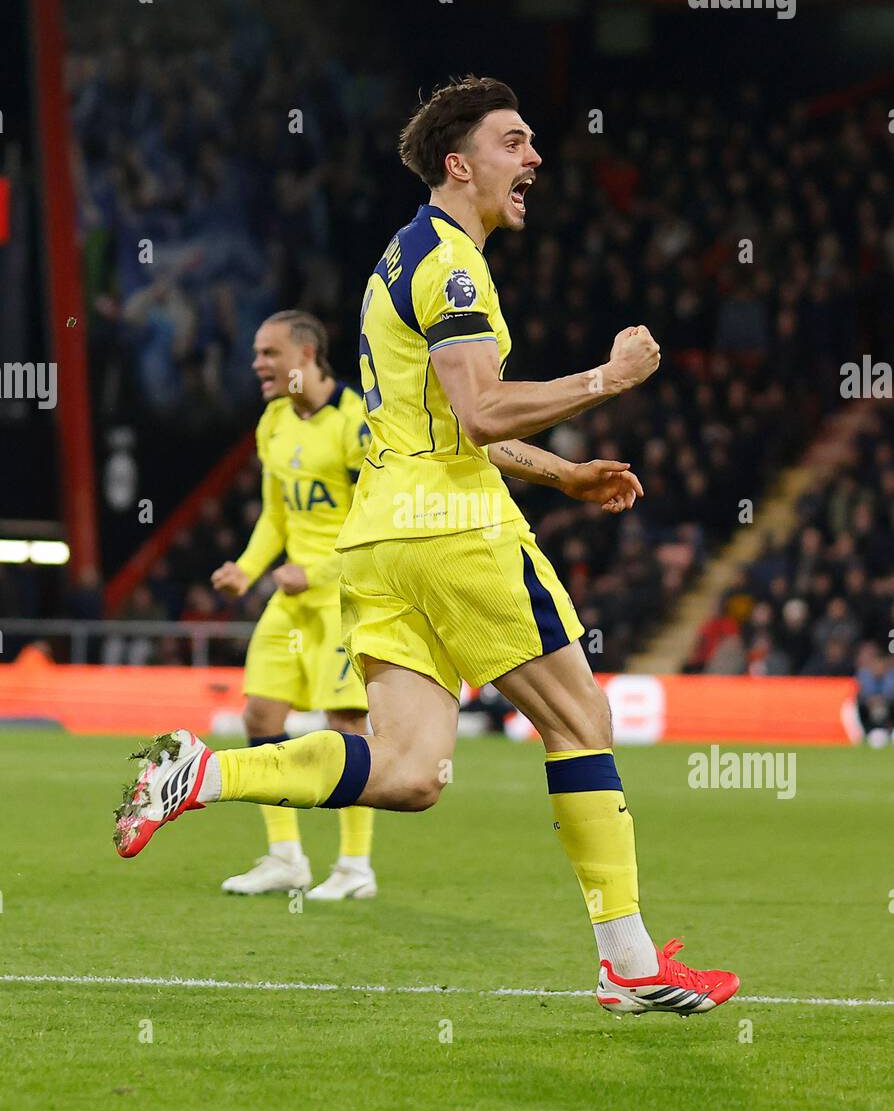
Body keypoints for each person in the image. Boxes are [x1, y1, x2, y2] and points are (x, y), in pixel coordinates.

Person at [114, 76, 738, 1017]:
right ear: (460, 163)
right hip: (457, 532)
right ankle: (629, 963)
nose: (534, 158)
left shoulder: (399, 259)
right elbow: (482, 412)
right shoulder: (452, 266)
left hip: (379, 539)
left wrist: (565, 475)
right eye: (513, 142)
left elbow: (445, 420)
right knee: (580, 723)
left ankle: (203, 773)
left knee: (408, 773)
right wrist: (608, 379)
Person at [210, 310, 377, 900]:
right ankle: (286, 857)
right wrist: (246, 569)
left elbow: (375, 517)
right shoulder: (274, 422)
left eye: (269, 353)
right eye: (257, 353)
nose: (258, 364)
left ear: (307, 355)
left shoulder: (357, 422)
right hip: (292, 597)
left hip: (347, 596)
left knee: (346, 726)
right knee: (260, 716)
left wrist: (319, 571)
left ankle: (355, 867)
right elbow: (276, 516)